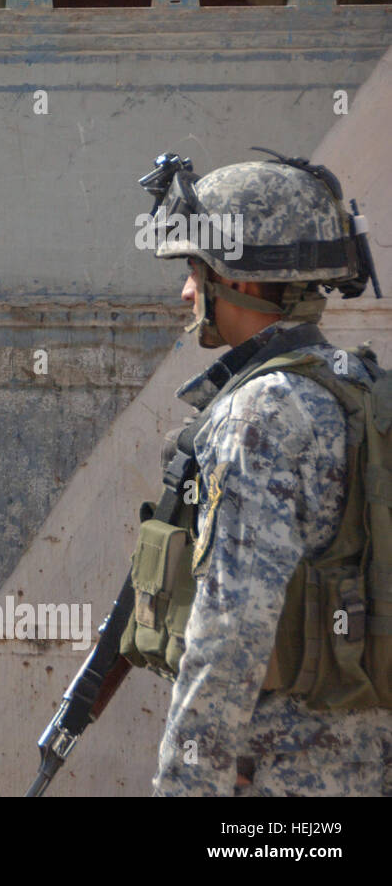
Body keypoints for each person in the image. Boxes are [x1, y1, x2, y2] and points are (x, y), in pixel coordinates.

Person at [131, 150, 391, 796]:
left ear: (242, 281)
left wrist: (185, 783)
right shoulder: (363, 390)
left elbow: (231, 626)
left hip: (282, 771)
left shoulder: (261, 412)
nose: (187, 290)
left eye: (196, 267)